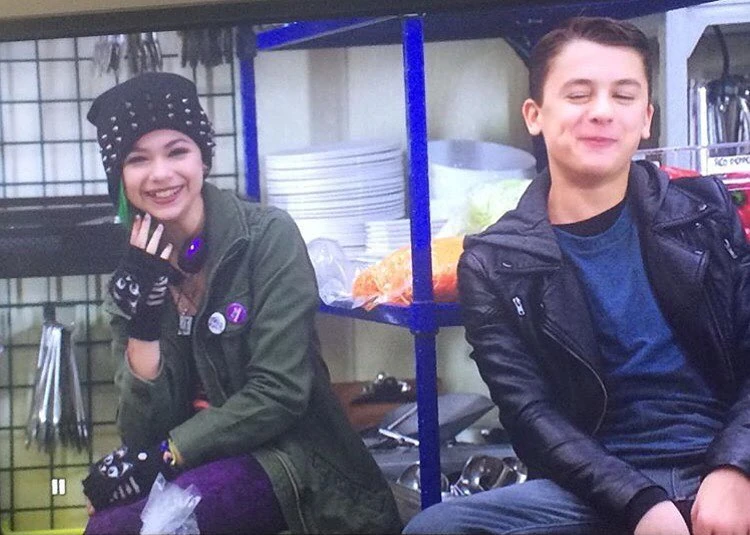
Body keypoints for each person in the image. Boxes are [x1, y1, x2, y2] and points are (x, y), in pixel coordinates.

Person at [404, 16, 750, 535]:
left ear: (647, 118)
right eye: (578, 94)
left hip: (723, 462)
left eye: (624, 95)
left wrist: (736, 468)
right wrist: (639, 504)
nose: (602, 111)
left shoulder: (704, 211)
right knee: (438, 529)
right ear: (535, 115)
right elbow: (531, 416)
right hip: (596, 488)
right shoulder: (493, 263)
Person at [81, 72, 402, 534]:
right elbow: (141, 432)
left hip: (289, 462)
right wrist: (145, 320)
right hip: (194, 461)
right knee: (106, 521)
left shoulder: (267, 237)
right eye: (137, 159)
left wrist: (166, 455)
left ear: (203, 158)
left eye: (177, 151)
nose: (161, 174)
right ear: (120, 177)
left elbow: (279, 393)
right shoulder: (132, 278)